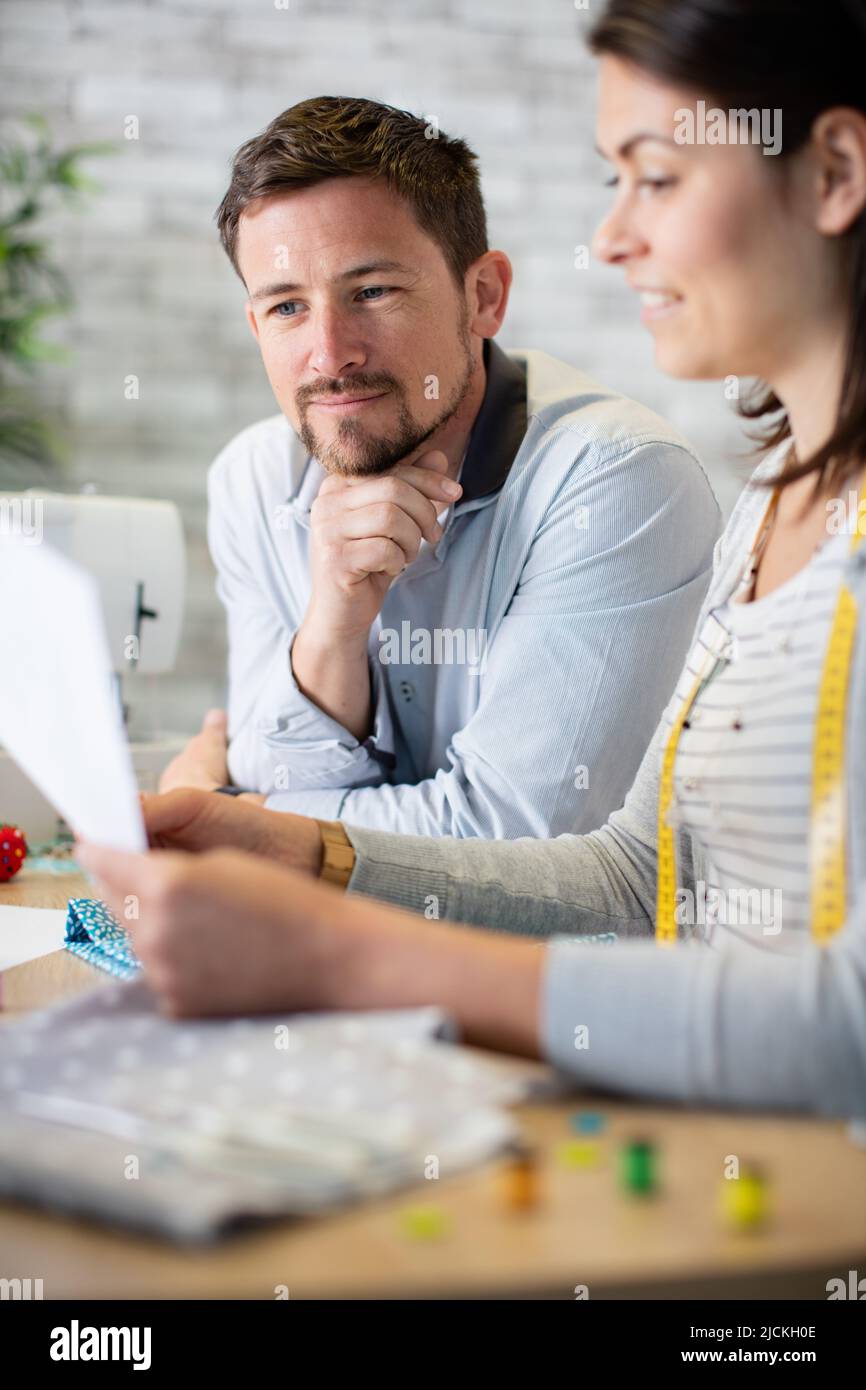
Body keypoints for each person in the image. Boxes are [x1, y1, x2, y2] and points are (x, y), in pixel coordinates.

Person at [79, 0, 866, 1117]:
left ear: (833, 172)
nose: (606, 240)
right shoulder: (771, 505)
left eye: (656, 176)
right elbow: (634, 875)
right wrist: (287, 845)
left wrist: (337, 941)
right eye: (285, 305)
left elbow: (844, 1023)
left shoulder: (627, 478)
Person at [158, 95, 719, 840]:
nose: (330, 353)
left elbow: (519, 844)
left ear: (483, 296)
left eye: (372, 292)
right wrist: (332, 625)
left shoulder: (619, 481)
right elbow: (271, 766)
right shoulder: (251, 480)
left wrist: (230, 816)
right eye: (288, 307)